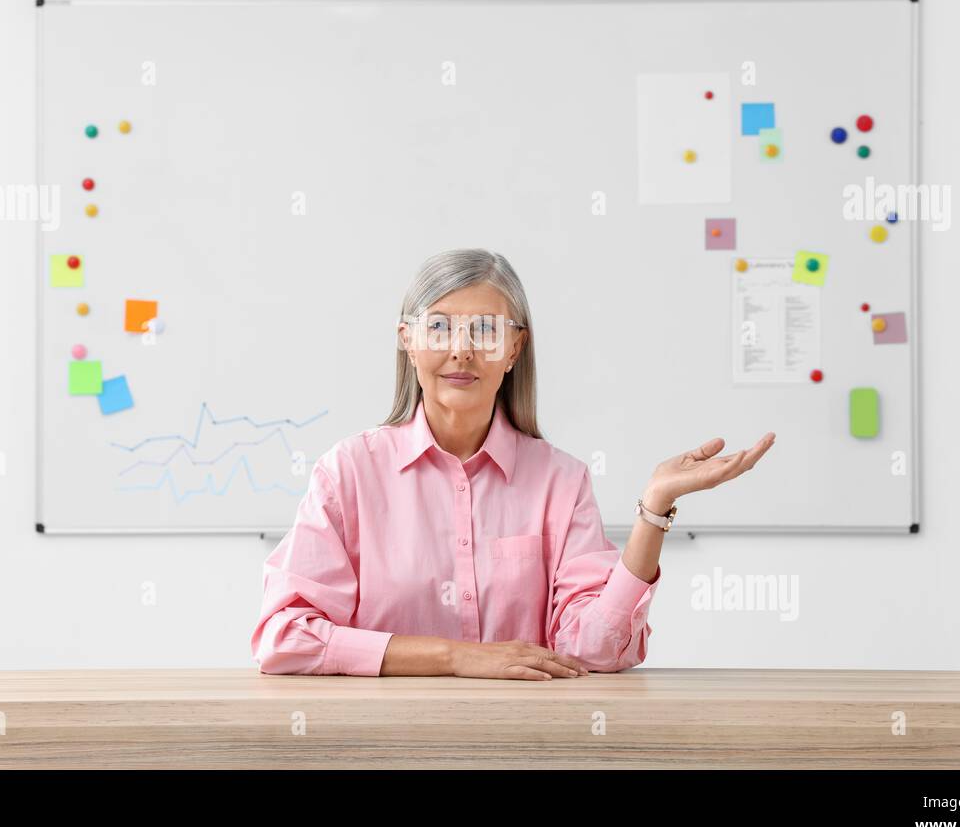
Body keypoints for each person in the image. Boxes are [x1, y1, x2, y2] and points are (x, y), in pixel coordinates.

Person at [251, 248, 774, 679]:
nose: (462, 351)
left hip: (525, 745)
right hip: (383, 746)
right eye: (438, 328)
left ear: (515, 348)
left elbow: (594, 651)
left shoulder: (560, 481)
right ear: (407, 341)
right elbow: (284, 637)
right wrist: (455, 658)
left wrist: (653, 509)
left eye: (485, 331)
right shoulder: (349, 473)